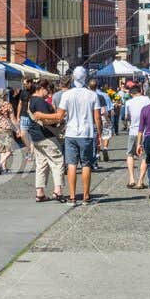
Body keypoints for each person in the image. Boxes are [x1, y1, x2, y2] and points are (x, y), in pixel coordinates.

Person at [58, 68, 102, 205]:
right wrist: (99, 134)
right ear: (85, 78)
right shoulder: (92, 95)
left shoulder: (66, 95)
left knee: (71, 164)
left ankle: (72, 197)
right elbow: (97, 117)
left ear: (73, 78)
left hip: (71, 133)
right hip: (87, 133)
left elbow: (60, 115)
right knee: (86, 164)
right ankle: (86, 196)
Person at [25, 80, 65, 203]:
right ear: (42, 88)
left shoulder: (31, 100)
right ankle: (58, 191)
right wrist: (59, 119)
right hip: (46, 136)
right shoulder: (40, 102)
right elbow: (46, 120)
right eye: (48, 90)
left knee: (41, 164)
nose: (49, 93)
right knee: (57, 162)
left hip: (36, 137)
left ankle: (40, 193)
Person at [123, 81, 150, 189]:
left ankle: (131, 179)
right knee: (145, 156)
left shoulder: (128, 102)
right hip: (146, 131)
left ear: (131, 93)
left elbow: (126, 117)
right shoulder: (148, 100)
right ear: (141, 91)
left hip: (133, 131)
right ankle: (140, 181)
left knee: (130, 154)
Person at [0, 93, 16, 174]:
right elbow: (12, 118)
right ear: (3, 96)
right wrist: (17, 129)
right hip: (6, 129)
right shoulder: (8, 105)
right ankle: (0, 163)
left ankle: (4, 169)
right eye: (6, 95)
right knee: (10, 150)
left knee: (2, 150)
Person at [91, 79, 112, 164]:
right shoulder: (103, 95)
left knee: (96, 135)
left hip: (91, 118)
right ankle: (105, 148)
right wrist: (108, 119)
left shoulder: (86, 95)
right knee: (106, 132)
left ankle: (97, 153)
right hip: (102, 117)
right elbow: (104, 110)